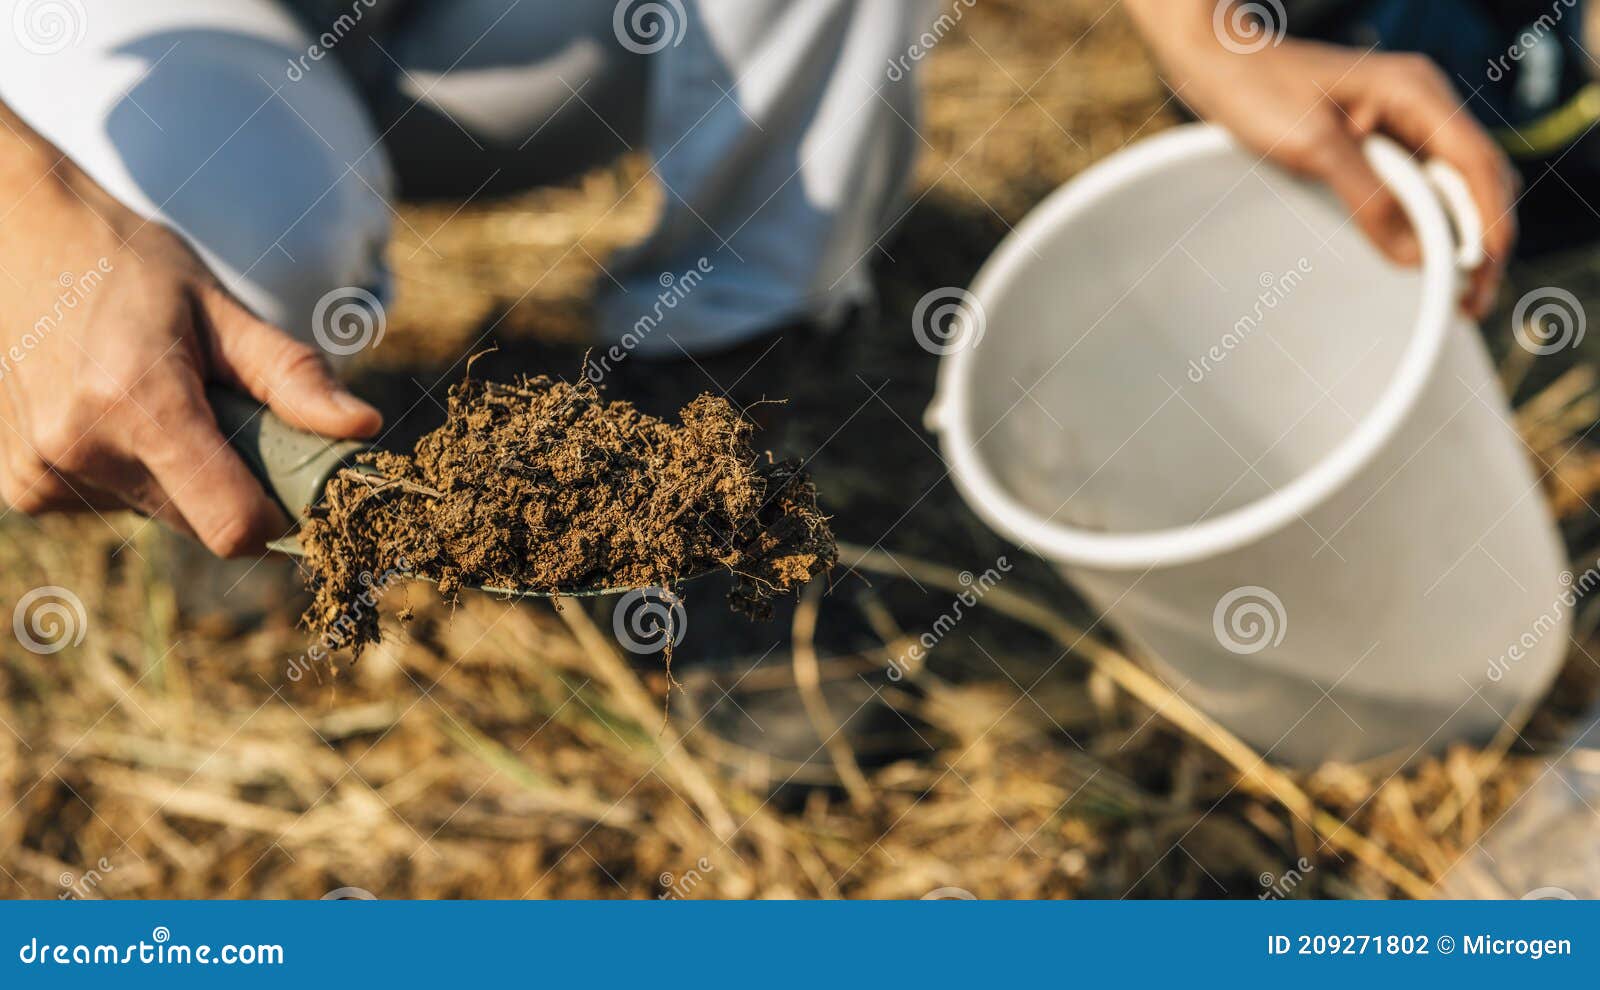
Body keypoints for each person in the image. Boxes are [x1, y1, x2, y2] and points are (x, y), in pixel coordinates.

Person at [0, 0, 1550, 558]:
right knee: (247, 248)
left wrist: (1211, 28)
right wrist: (26, 210)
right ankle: (227, 479)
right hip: (147, 42)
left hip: (508, 38)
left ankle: (715, 411)